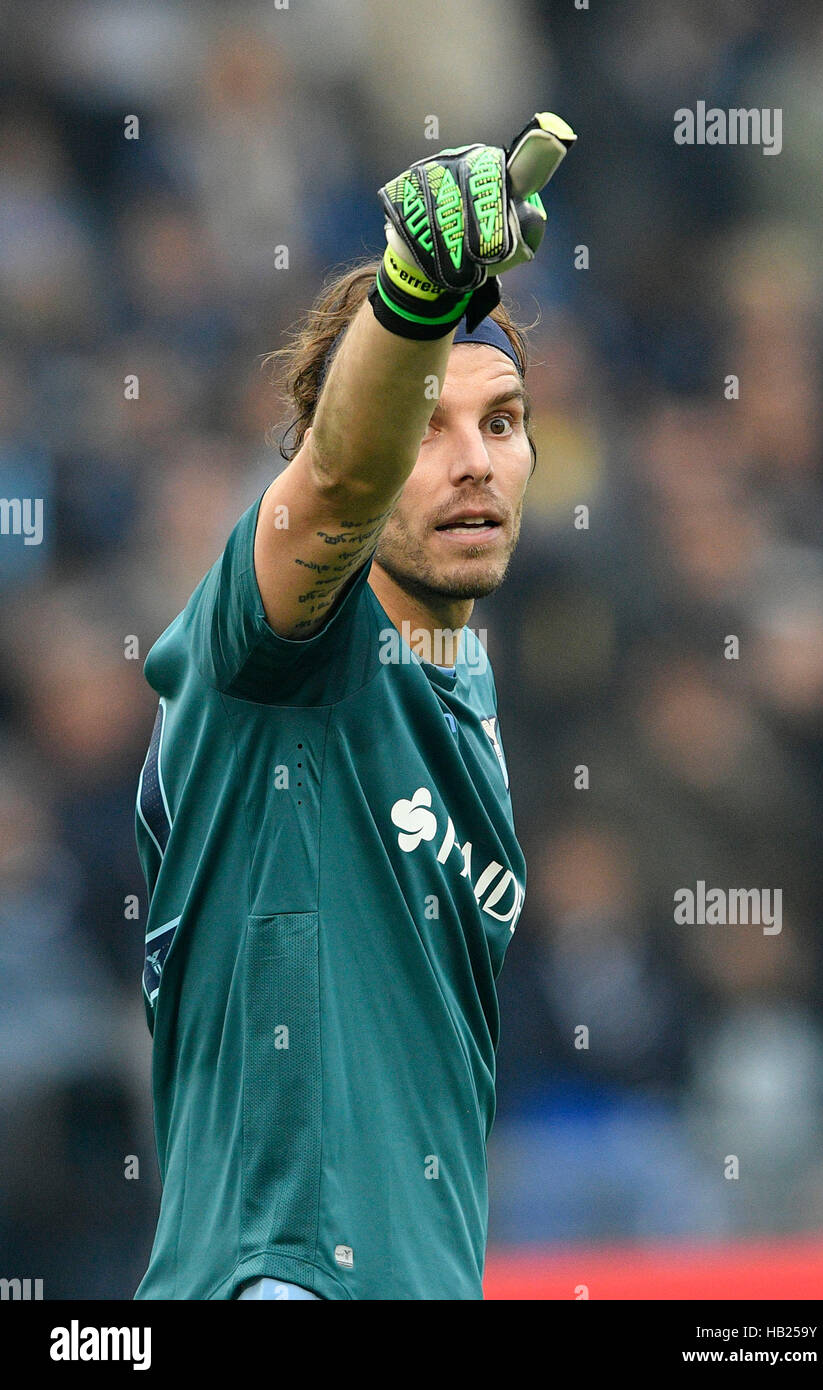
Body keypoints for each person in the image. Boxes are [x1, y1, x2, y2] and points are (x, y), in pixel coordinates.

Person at [134, 115, 575, 1300]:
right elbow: (334, 481)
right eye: (424, 426)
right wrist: (417, 292)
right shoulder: (278, 645)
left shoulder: (465, 697)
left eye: (501, 421)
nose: (475, 460)